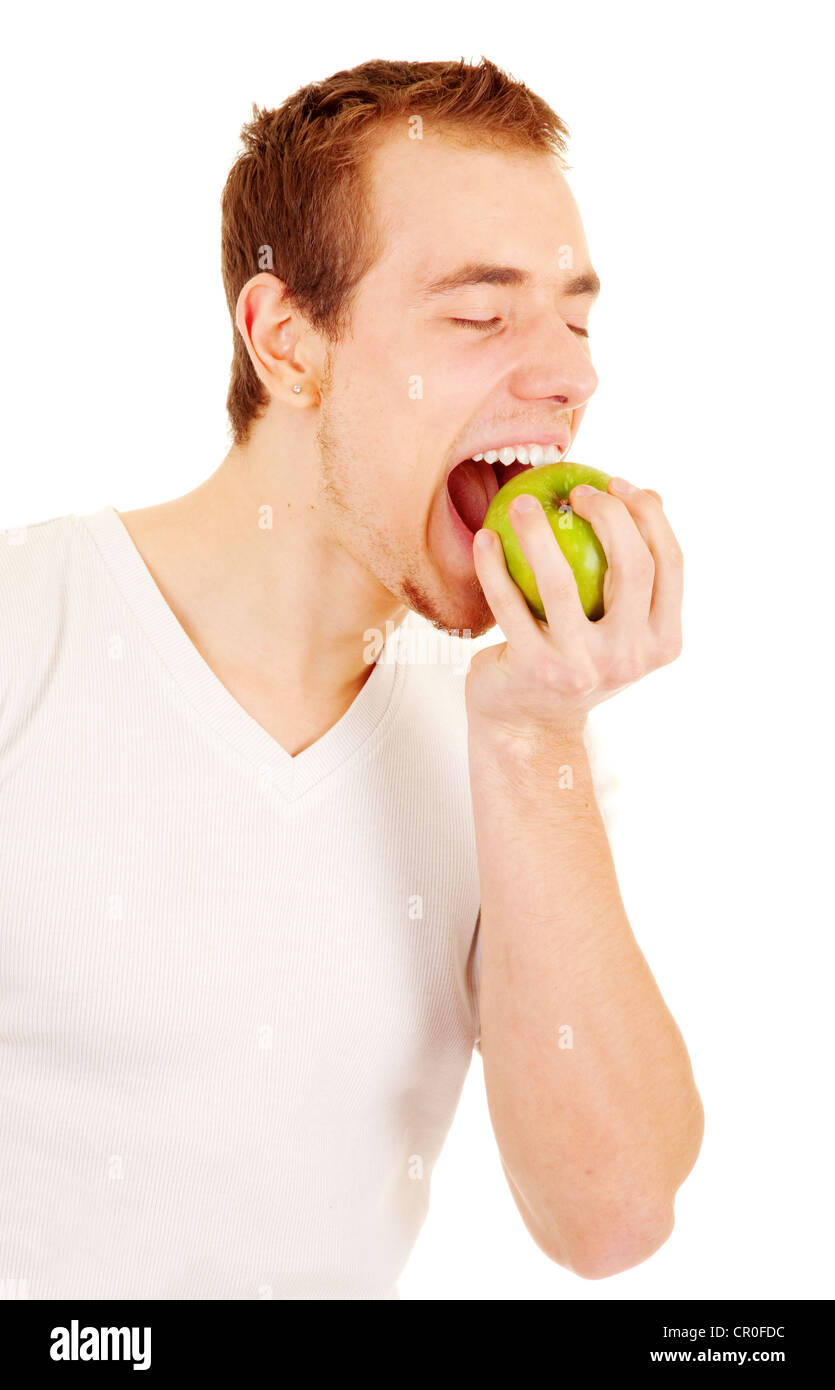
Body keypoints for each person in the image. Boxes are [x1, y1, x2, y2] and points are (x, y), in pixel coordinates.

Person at [0, 56, 703, 1300]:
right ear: (286, 342)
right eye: (481, 315)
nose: (569, 375)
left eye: (577, 319)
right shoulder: (29, 626)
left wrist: (533, 740)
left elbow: (612, 1217)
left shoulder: (522, 725)